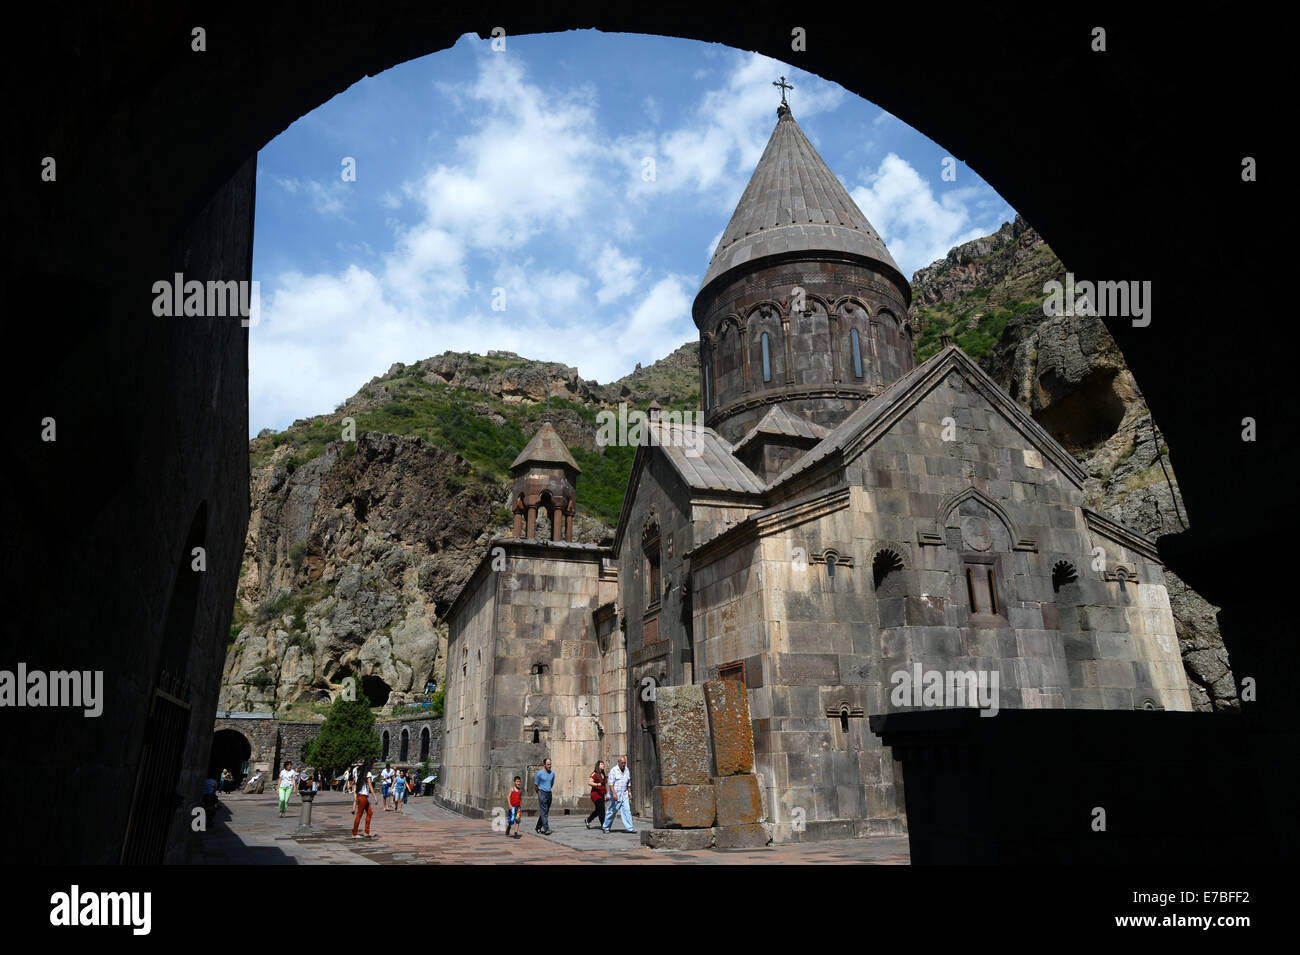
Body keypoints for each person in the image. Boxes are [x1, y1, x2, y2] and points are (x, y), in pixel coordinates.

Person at [602, 755, 635, 834]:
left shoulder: (627, 770)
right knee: (612, 811)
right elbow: (610, 783)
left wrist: (629, 792)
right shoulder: (614, 770)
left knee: (627, 811)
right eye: (622, 763)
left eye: (625, 763)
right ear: (618, 762)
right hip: (616, 794)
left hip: (624, 794)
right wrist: (614, 794)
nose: (624, 764)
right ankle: (606, 827)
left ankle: (630, 828)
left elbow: (628, 782)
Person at [352, 761, 375, 839]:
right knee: (359, 814)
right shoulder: (368, 774)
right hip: (363, 796)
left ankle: (366, 831)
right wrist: (375, 797)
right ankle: (354, 833)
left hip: (360, 795)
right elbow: (370, 786)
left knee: (370, 812)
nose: (373, 765)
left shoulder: (361, 773)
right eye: (373, 764)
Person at [533, 757, 555, 835]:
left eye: (550, 764)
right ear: (544, 765)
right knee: (544, 812)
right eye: (548, 764)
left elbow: (551, 783)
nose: (549, 766)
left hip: (549, 793)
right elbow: (536, 785)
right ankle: (546, 829)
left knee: (545, 812)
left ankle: (538, 827)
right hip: (542, 792)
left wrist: (548, 789)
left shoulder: (552, 773)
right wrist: (539, 793)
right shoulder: (540, 773)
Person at [585, 760, 607, 829]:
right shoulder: (595, 774)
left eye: (603, 764)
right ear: (598, 766)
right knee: (602, 809)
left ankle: (588, 820)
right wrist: (597, 784)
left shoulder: (603, 774)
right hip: (595, 794)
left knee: (598, 810)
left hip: (601, 794)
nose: (603, 765)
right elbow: (590, 782)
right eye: (601, 764)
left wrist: (605, 794)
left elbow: (604, 785)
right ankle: (603, 824)